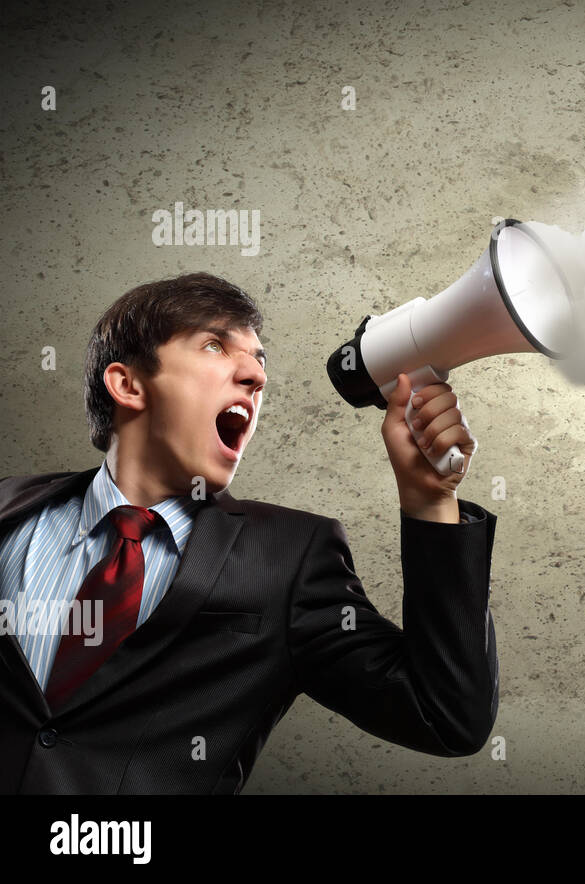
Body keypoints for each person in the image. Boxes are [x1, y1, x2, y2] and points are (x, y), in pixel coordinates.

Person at [0, 272, 498, 793]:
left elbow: (447, 715)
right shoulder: (10, 515)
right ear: (127, 385)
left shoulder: (290, 557)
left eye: (259, 362)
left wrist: (430, 501)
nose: (255, 378)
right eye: (215, 346)